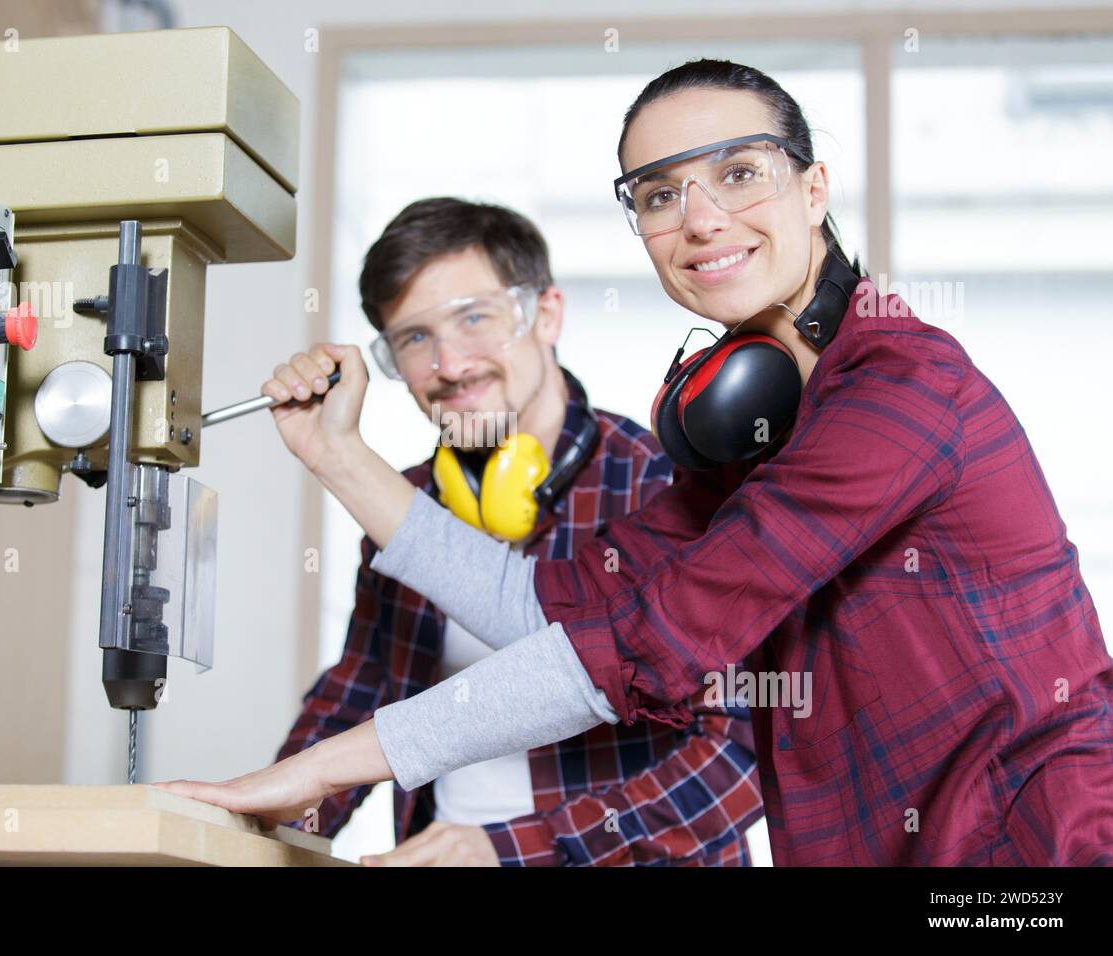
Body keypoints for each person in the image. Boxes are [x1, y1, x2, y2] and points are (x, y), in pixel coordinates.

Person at [157, 59, 1113, 866]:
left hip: (1030, 855)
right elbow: (552, 608)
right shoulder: (756, 444)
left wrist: (337, 767)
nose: (699, 220)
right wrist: (335, 455)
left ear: (814, 191)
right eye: (661, 194)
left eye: (740, 173)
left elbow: (655, 644)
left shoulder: (901, 386)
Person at [275, 198, 761, 866]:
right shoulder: (405, 504)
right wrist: (259, 825)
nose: (448, 364)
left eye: (474, 318)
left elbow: (736, 756)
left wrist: (512, 850)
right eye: (414, 338)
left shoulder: (668, 487)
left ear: (547, 314)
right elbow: (359, 690)